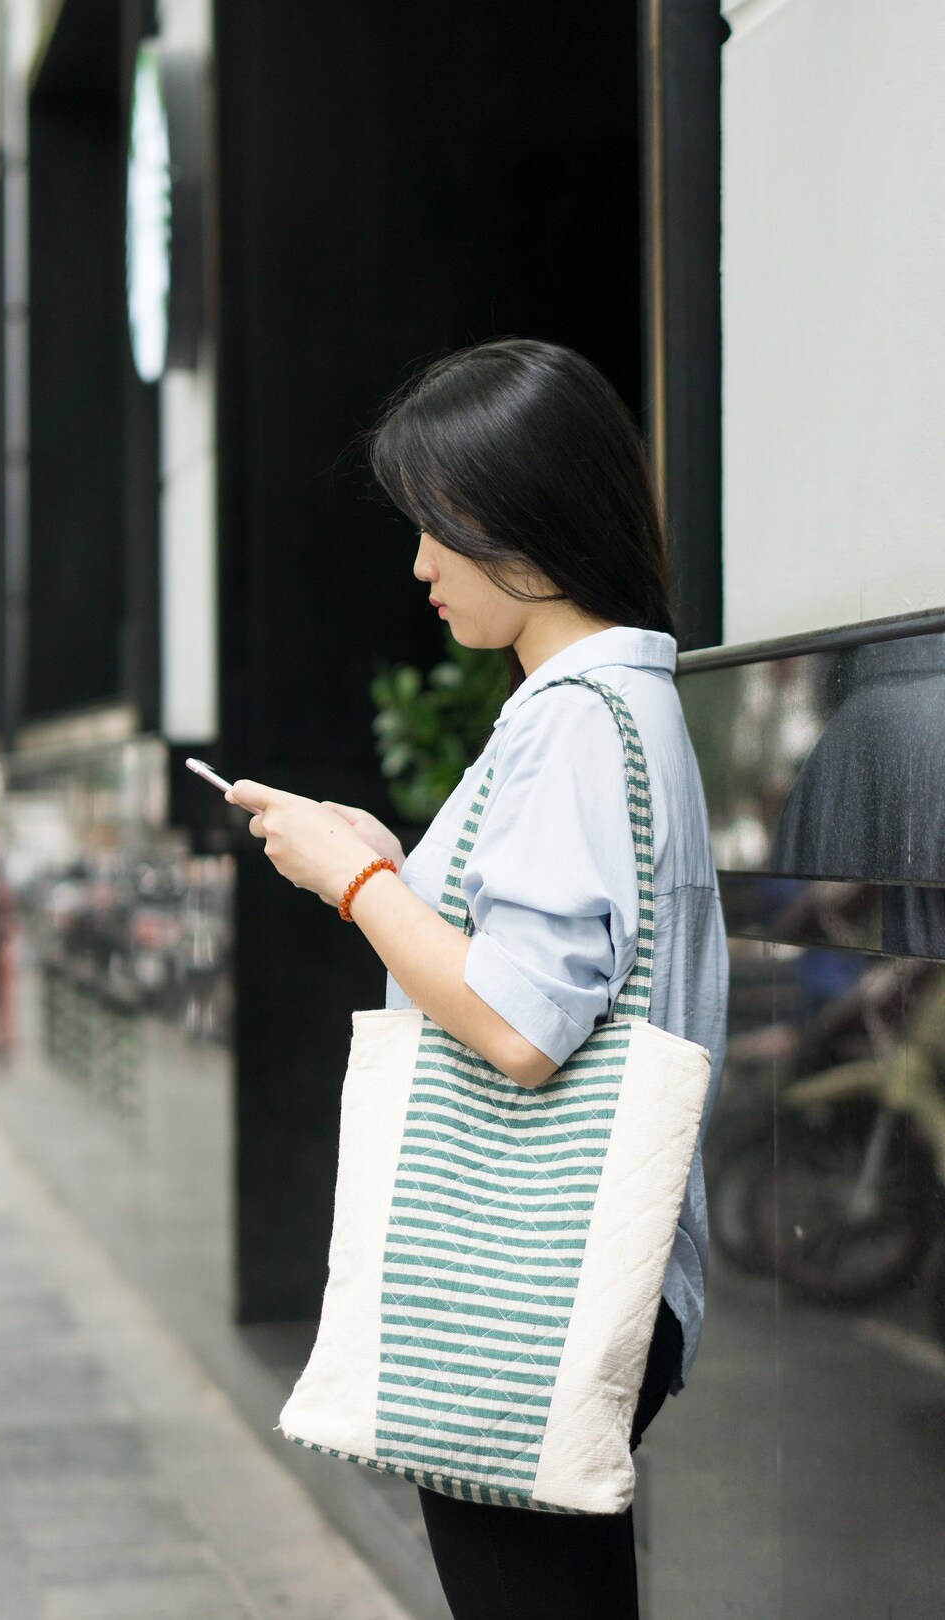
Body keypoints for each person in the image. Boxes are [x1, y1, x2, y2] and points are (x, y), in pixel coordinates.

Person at [225, 337, 729, 1619]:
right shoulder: (620, 700)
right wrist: (394, 868)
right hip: (573, 1266)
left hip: (531, 1273)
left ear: (525, 521)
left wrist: (354, 882)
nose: (421, 566)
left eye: (439, 529)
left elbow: (518, 1021)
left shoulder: (572, 717)